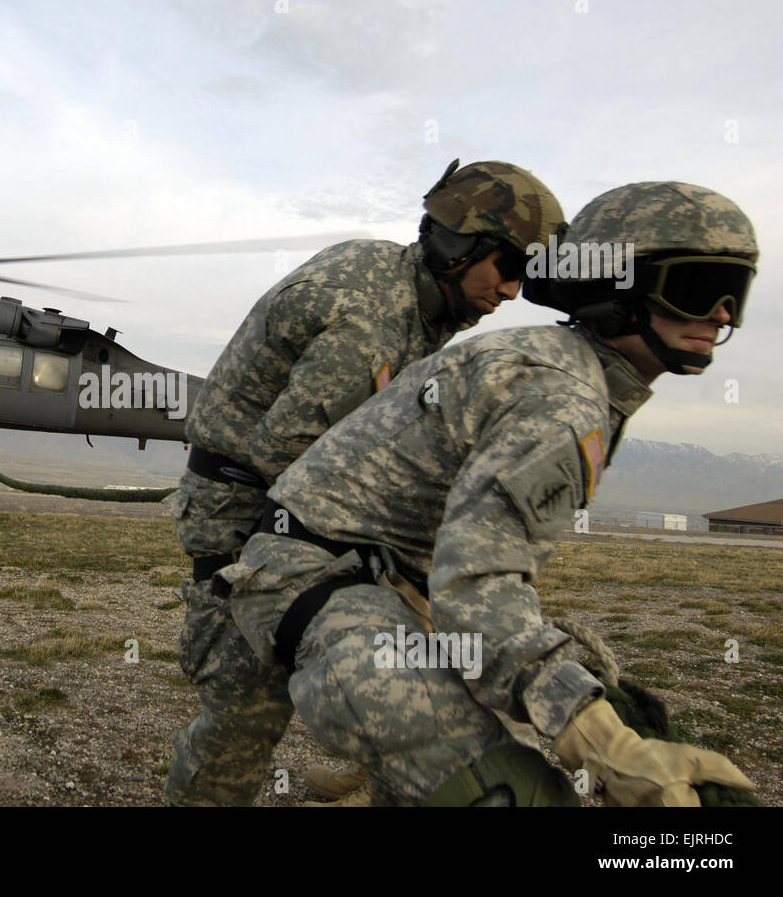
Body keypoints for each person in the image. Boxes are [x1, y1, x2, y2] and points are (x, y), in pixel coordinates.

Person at [215, 181, 759, 806]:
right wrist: (606, 745)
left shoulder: (572, 375)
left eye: (733, 295)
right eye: (694, 289)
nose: (719, 314)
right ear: (617, 285)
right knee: (509, 791)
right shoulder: (562, 398)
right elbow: (477, 589)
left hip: (390, 581)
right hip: (312, 575)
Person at [165, 159, 565, 807]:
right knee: (246, 714)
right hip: (247, 510)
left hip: (318, 511)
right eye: (510, 268)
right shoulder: (372, 312)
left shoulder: (423, 308)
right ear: (461, 246)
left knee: (412, 671)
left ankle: (366, 754)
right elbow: (288, 456)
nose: (514, 292)